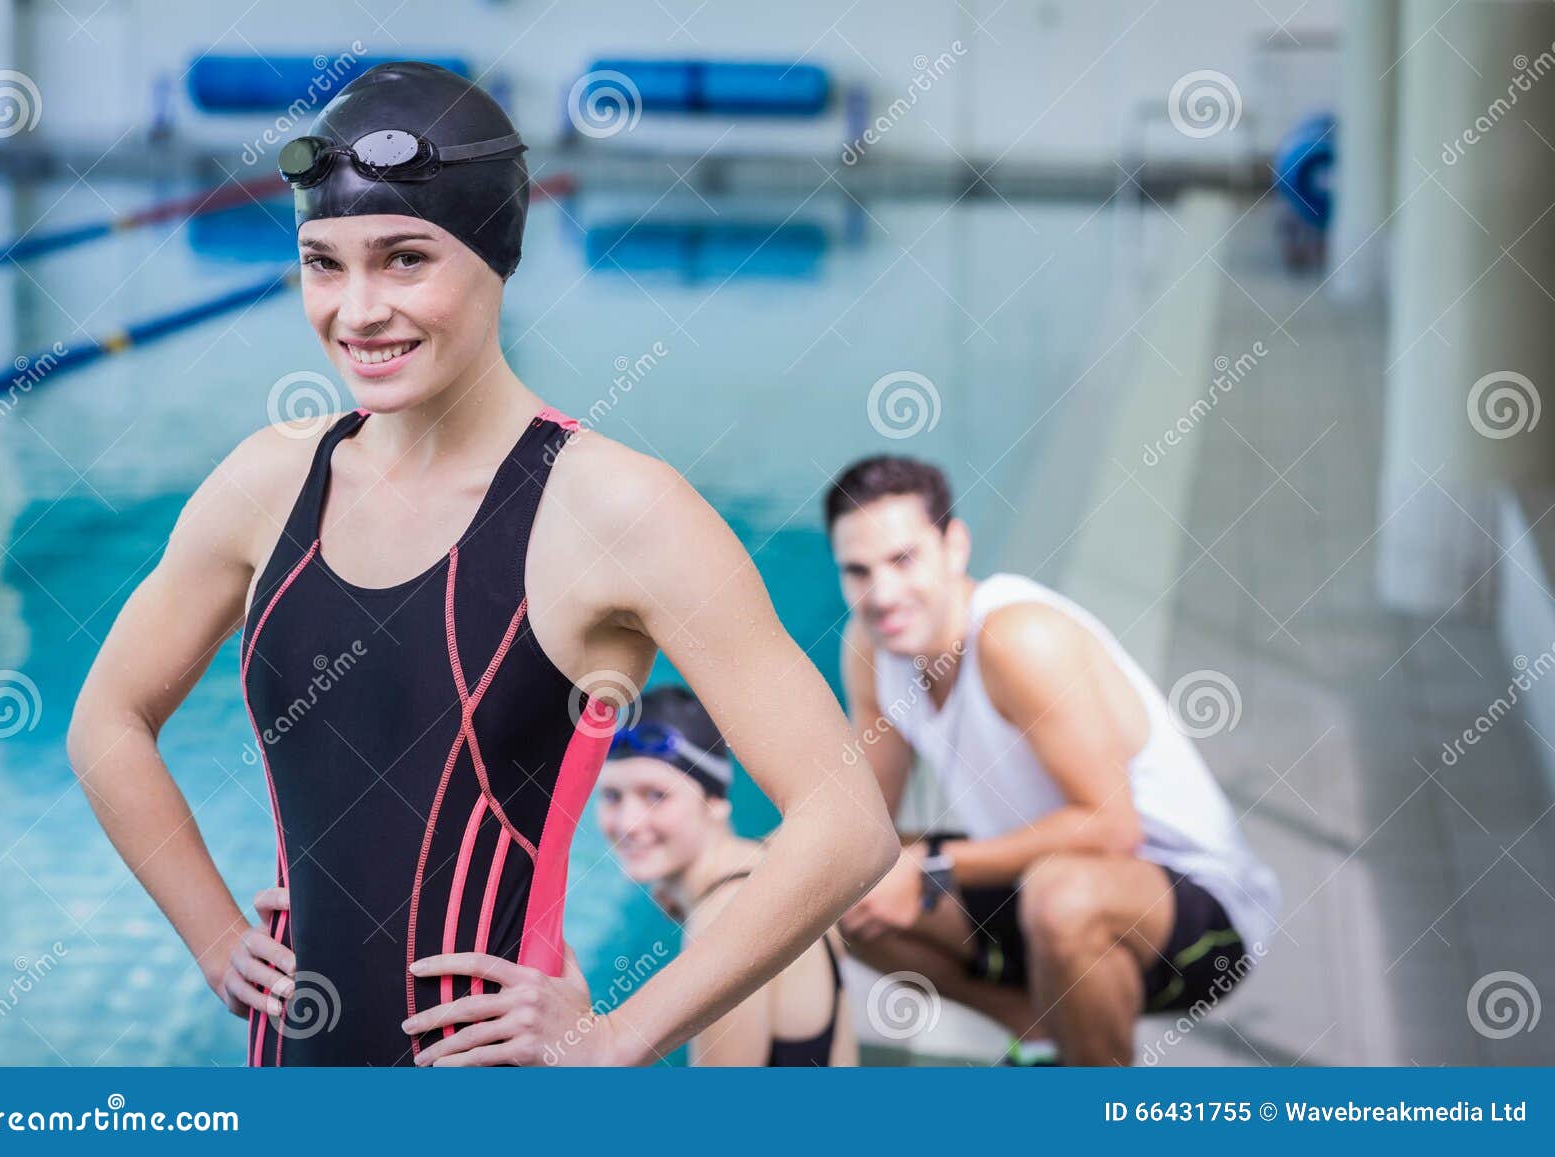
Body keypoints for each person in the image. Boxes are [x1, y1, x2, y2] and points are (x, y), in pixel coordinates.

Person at [65, 62, 897, 1068]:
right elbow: (108, 720)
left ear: (495, 258)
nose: (357, 310)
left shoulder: (616, 508)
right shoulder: (264, 484)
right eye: (322, 263)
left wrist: (616, 1035)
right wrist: (213, 936)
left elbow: (847, 822)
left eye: (405, 258)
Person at [826, 455, 1279, 1066]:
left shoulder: (1018, 640)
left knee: (1060, 894)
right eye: (858, 572)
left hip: (1194, 915)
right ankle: (1039, 1039)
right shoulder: (871, 649)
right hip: (1033, 884)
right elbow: (864, 821)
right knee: (842, 878)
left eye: (903, 560)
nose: (881, 595)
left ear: (954, 546)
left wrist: (931, 868)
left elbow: (1114, 827)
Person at [598, 686, 856, 1066]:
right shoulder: (771, 871)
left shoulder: (722, 919)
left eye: (656, 795)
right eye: (612, 797)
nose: (627, 823)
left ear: (715, 801)